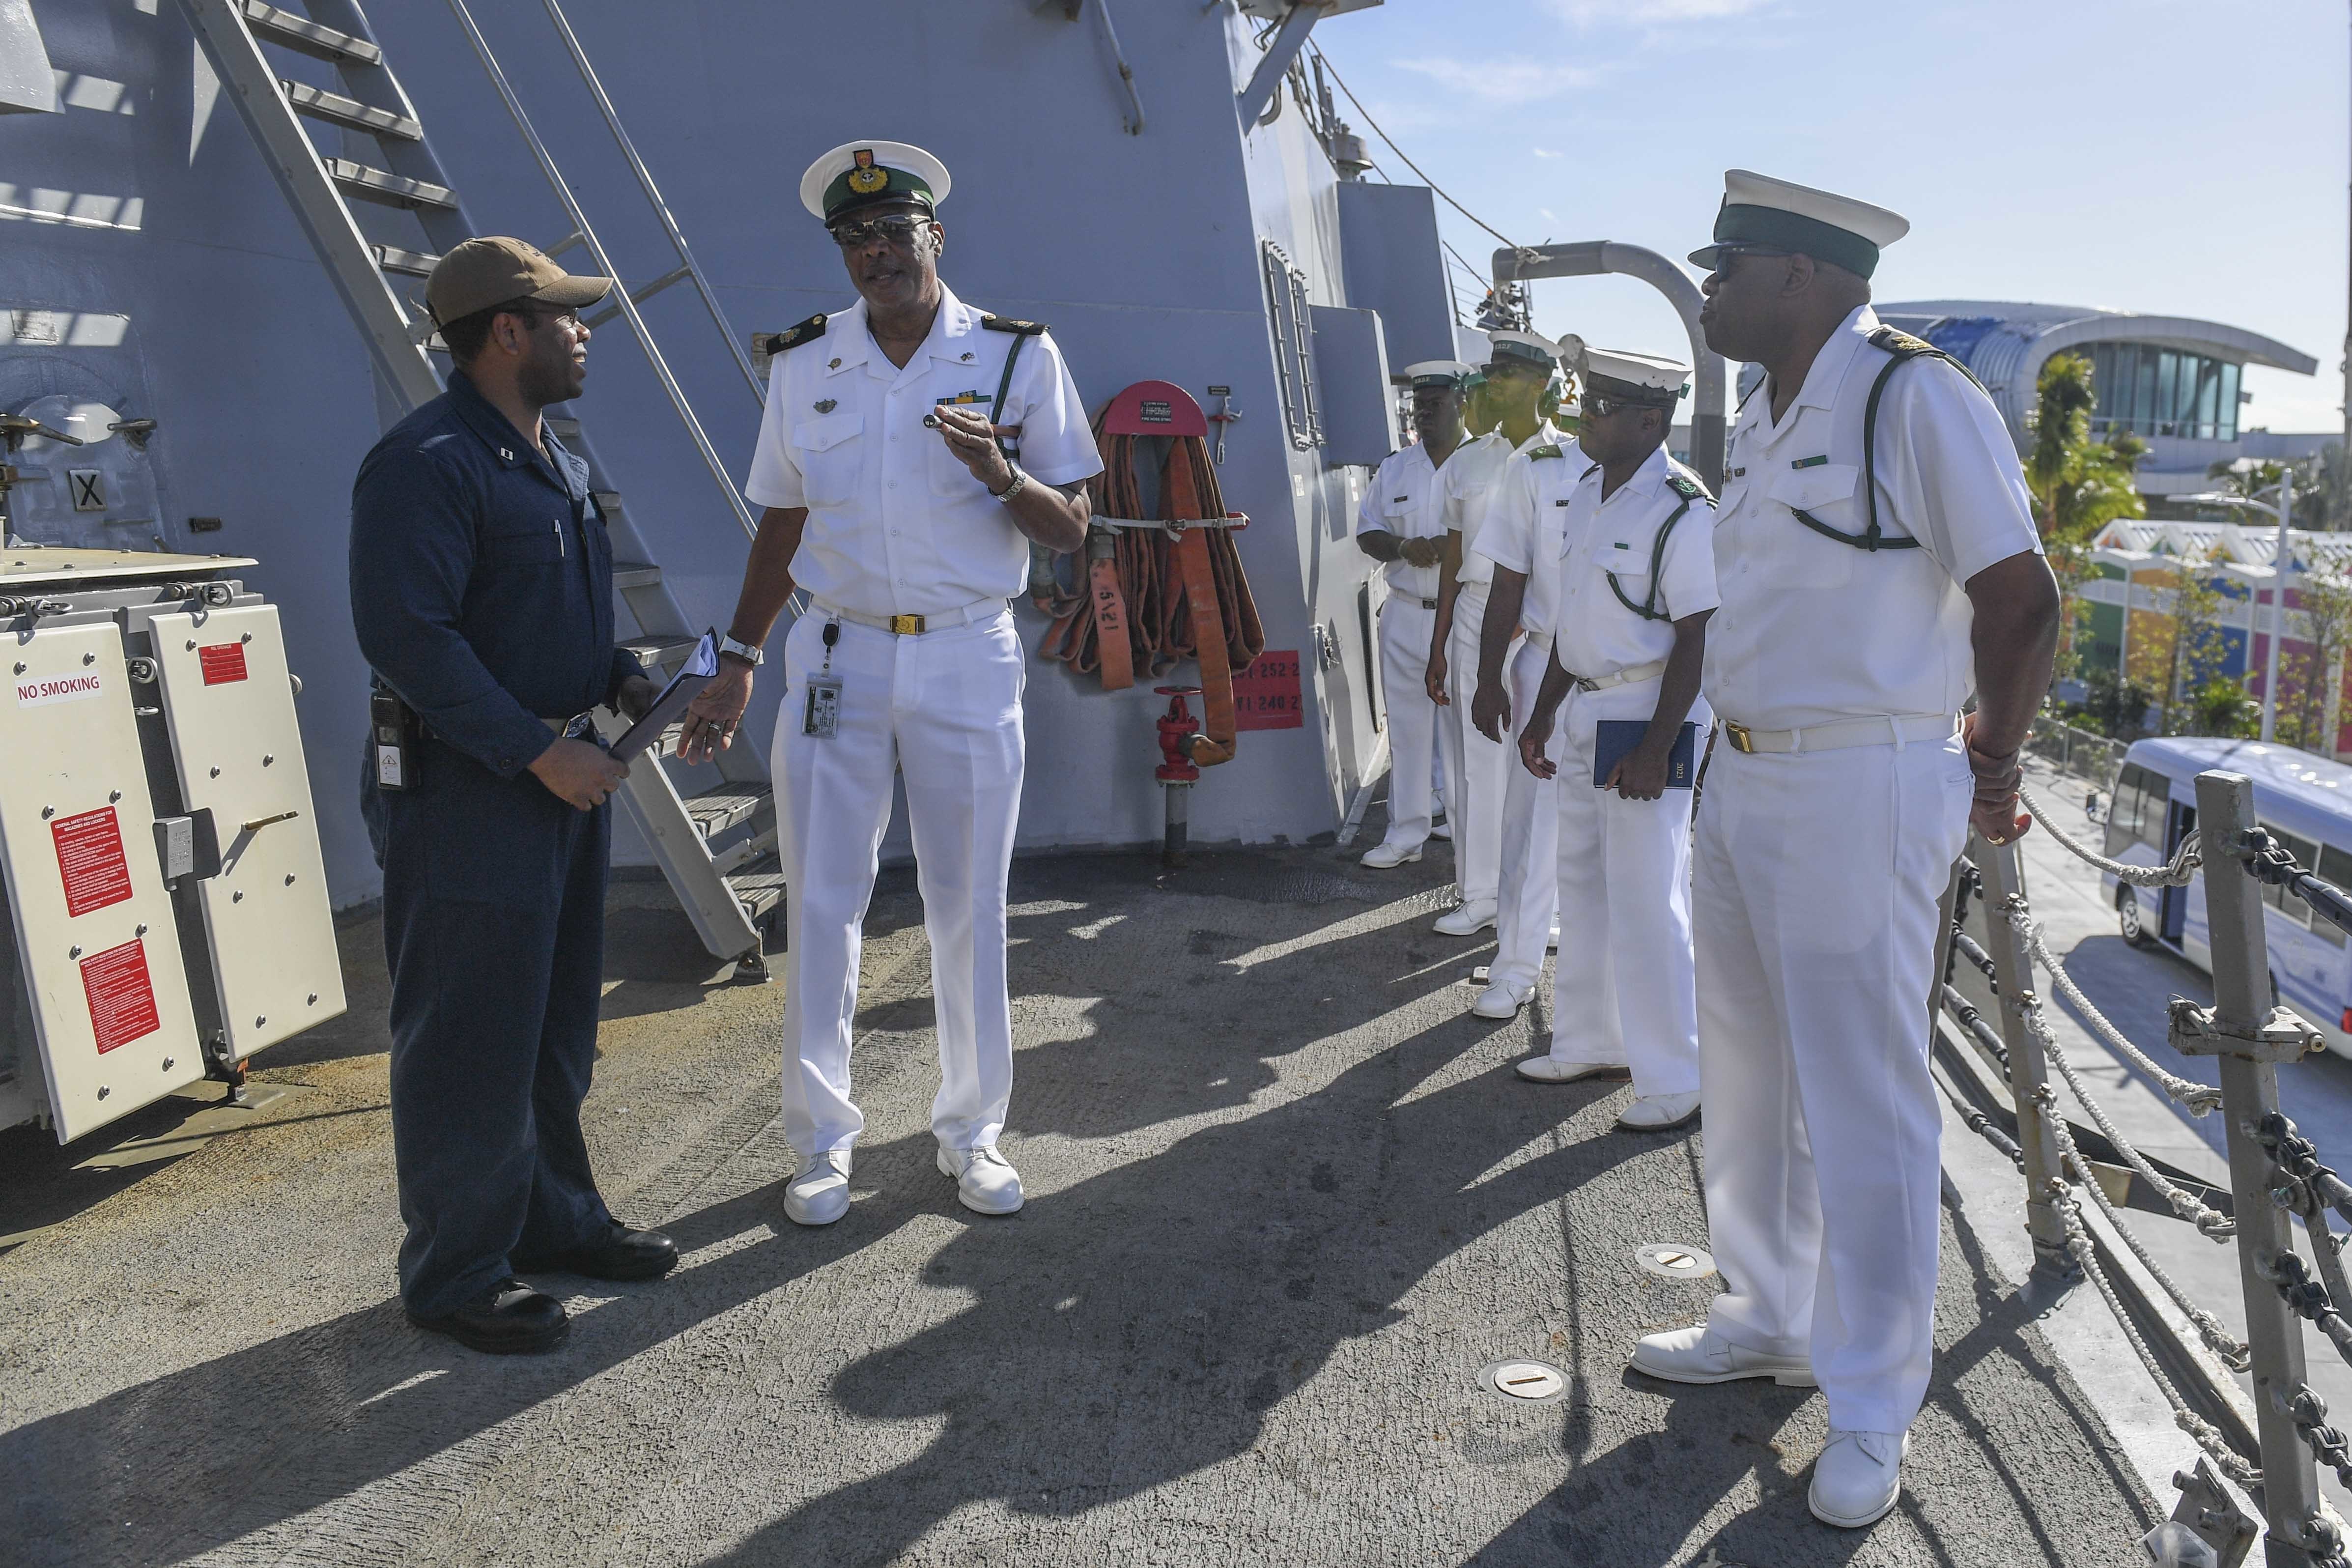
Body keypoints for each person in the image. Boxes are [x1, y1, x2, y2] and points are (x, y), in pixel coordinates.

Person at [1627, 171, 2058, 1530]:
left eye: (1724, 269)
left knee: (1865, 1102)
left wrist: (1991, 761)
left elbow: (2019, 596)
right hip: (1744, 777)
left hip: (1866, 779)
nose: (1705, 294)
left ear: (1799, 278)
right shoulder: (1763, 416)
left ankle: (1872, 1398)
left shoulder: (1911, 395)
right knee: (1746, 1074)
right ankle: (1768, 1314)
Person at [677, 142, 1098, 1227]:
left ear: (933, 240)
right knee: (822, 901)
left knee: (969, 901)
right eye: (855, 240)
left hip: (967, 649)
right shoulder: (805, 361)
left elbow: (1072, 530)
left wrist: (1000, 471)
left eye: (893, 234)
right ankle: (821, 1144)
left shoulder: (1015, 354)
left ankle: (972, 1131)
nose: (875, 253)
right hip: (834, 651)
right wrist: (738, 656)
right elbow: (782, 517)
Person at [351, 237, 678, 1356]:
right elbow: (408, 635)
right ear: (507, 331)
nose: (584, 332)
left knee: (549, 1031)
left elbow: (552, 617)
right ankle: (455, 1269)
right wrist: (537, 752)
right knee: (468, 1038)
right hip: (466, 790)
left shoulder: (549, 460)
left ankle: (552, 1219)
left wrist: (623, 677)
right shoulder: (427, 462)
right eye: (565, 317)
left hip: (550, 786)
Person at [1513, 349, 1713, 1133]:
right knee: (1585, 884)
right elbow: (1573, 623)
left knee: (1647, 896)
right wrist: (1539, 716)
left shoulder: (1680, 508)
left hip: (1645, 710)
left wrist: (1655, 746)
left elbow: (1698, 637)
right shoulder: (1590, 492)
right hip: (1585, 706)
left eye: (1601, 405)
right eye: (1586, 402)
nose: (1585, 415)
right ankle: (1591, 1040)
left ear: (1649, 420)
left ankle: (1676, 1072)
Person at [1426, 330, 1563, 937]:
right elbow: (1453, 560)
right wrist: (1437, 643)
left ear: (1540, 383)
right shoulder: (1466, 461)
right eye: (1492, 373)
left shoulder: (1573, 462)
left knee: (1538, 764)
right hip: (1474, 617)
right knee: (1477, 764)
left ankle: (1541, 905)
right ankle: (1479, 894)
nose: (1495, 382)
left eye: (1509, 372)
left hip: (1538, 628)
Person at [1461, 340, 1583, 1017]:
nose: (1596, 408)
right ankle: (1513, 970)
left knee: (1606, 839)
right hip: (1541, 662)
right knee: (1527, 828)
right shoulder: (1535, 470)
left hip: (1628, 675)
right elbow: (1506, 582)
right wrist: (1489, 678)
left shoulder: (1672, 488)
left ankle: (1604, 1007)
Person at [1355, 361, 1474, 869]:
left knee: (1466, 733)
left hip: (1466, 615)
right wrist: (1404, 546)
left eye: (1435, 404)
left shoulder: (1486, 464)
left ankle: (1469, 836)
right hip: (1404, 613)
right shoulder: (1395, 468)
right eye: (1418, 406)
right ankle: (1405, 833)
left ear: (1462, 404)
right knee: (1406, 729)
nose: (1423, 414)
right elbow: (1367, 533)